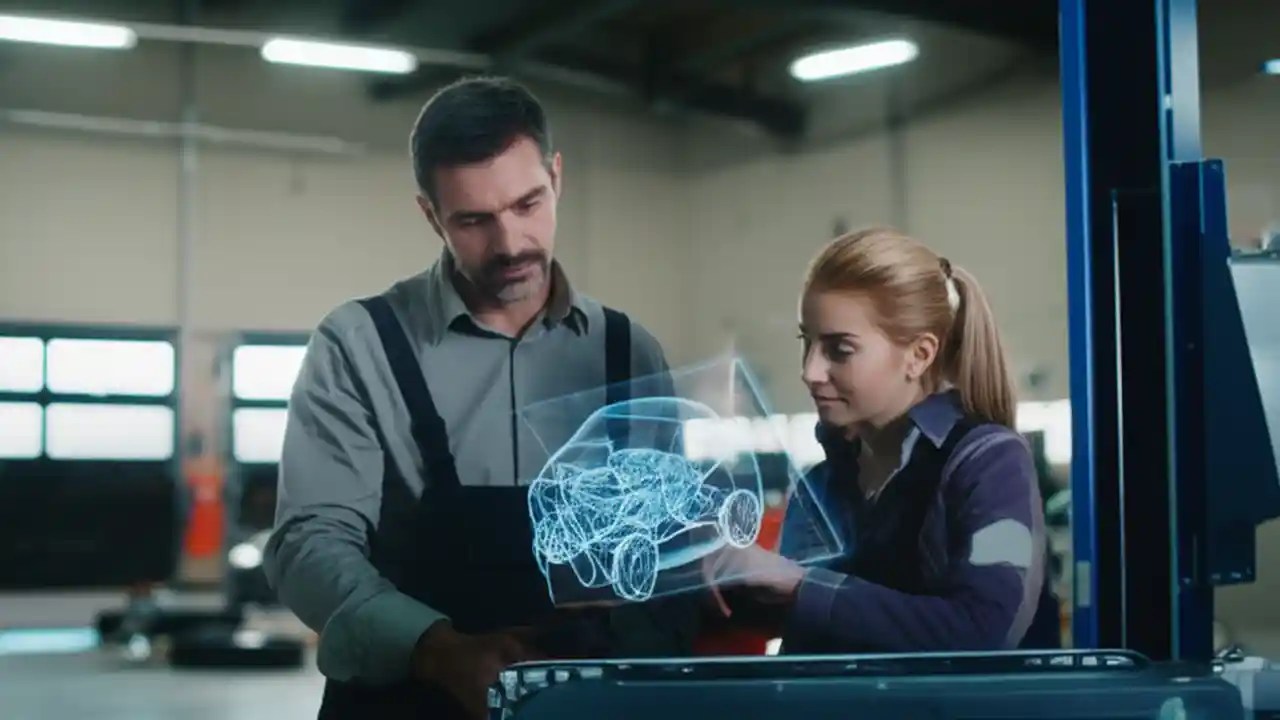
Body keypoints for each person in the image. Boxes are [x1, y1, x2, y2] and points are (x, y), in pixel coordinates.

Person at [263, 76, 697, 720]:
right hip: (406, 699)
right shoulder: (361, 344)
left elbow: (665, 543)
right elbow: (308, 542)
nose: (511, 244)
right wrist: (437, 650)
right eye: (473, 220)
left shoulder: (628, 351)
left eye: (529, 203)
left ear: (557, 177)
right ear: (431, 214)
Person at [704, 227, 1061, 653]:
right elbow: (803, 627)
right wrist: (716, 578)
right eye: (808, 343)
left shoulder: (991, 464)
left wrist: (801, 584)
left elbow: (985, 627)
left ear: (919, 355)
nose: (810, 371)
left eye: (840, 350)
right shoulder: (820, 486)